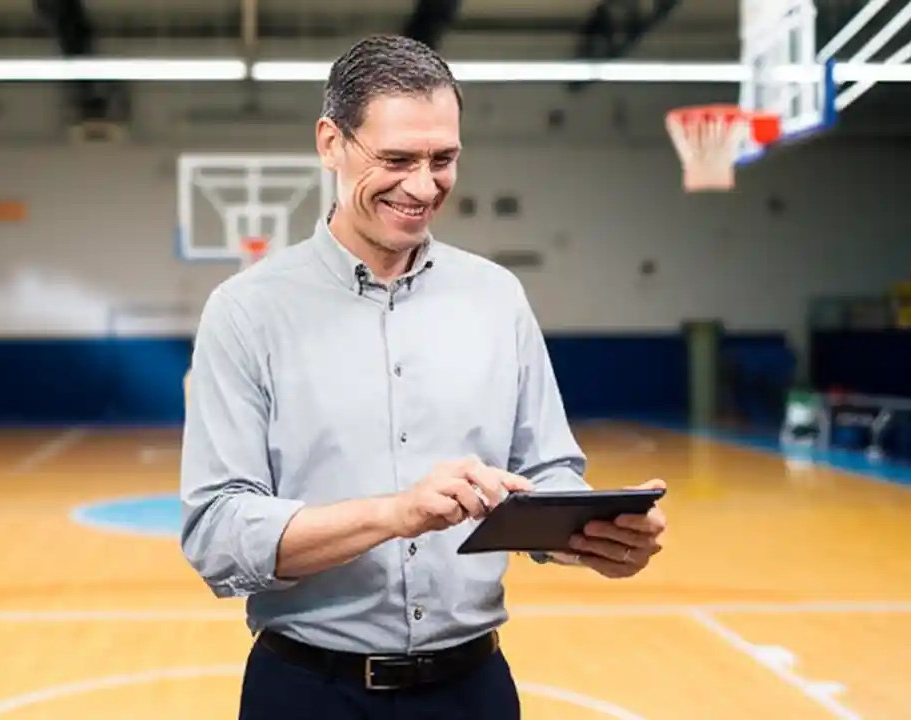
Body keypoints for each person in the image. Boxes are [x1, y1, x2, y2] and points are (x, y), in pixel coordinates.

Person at [179, 34, 667, 720]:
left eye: (443, 160)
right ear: (330, 143)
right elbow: (218, 533)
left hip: (473, 690)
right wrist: (394, 513)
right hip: (307, 693)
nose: (422, 185)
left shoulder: (497, 298)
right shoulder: (247, 311)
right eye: (396, 159)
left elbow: (547, 471)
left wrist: (592, 536)